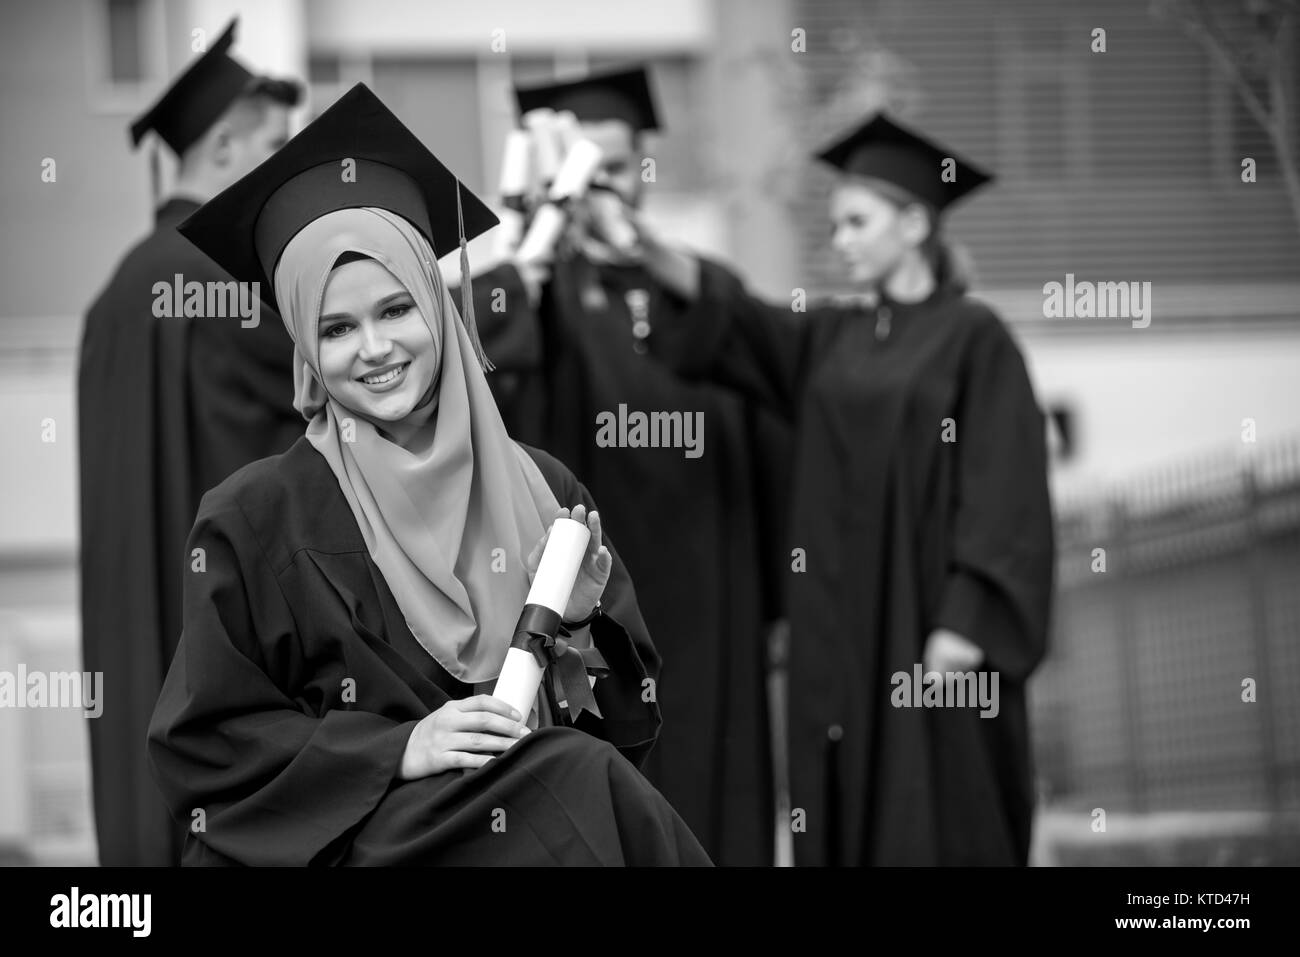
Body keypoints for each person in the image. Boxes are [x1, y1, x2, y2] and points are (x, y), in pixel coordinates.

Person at [146, 83, 710, 866]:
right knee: (581, 783)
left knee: (587, 780)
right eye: (336, 328)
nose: (375, 349)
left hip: (525, 829)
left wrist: (580, 631)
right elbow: (203, 747)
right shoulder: (259, 515)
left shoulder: (547, 492)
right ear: (307, 353)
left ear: (442, 310)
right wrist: (397, 750)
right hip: (363, 844)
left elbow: (625, 725)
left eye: (397, 309)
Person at [639, 114, 1055, 865]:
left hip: (932, 639)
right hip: (839, 638)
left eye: (858, 222)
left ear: (916, 221)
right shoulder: (832, 338)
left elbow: (1008, 493)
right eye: (835, 227)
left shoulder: (974, 337)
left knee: (935, 813)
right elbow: (741, 323)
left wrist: (967, 620)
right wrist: (642, 246)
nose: (842, 241)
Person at [460, 66, 791, 865]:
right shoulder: (538, 295)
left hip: (713, 602)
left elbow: (773, 409)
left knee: (717, 800)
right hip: (597, 601)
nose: (604, 189)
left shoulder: (689, 292)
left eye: (619, 167)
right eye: (588, 169)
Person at [78, 18, 303, 866]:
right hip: (221, 666)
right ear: (225, 149)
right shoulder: (227, 281)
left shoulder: (114, 295)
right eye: (276, 148)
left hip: (134, 648)